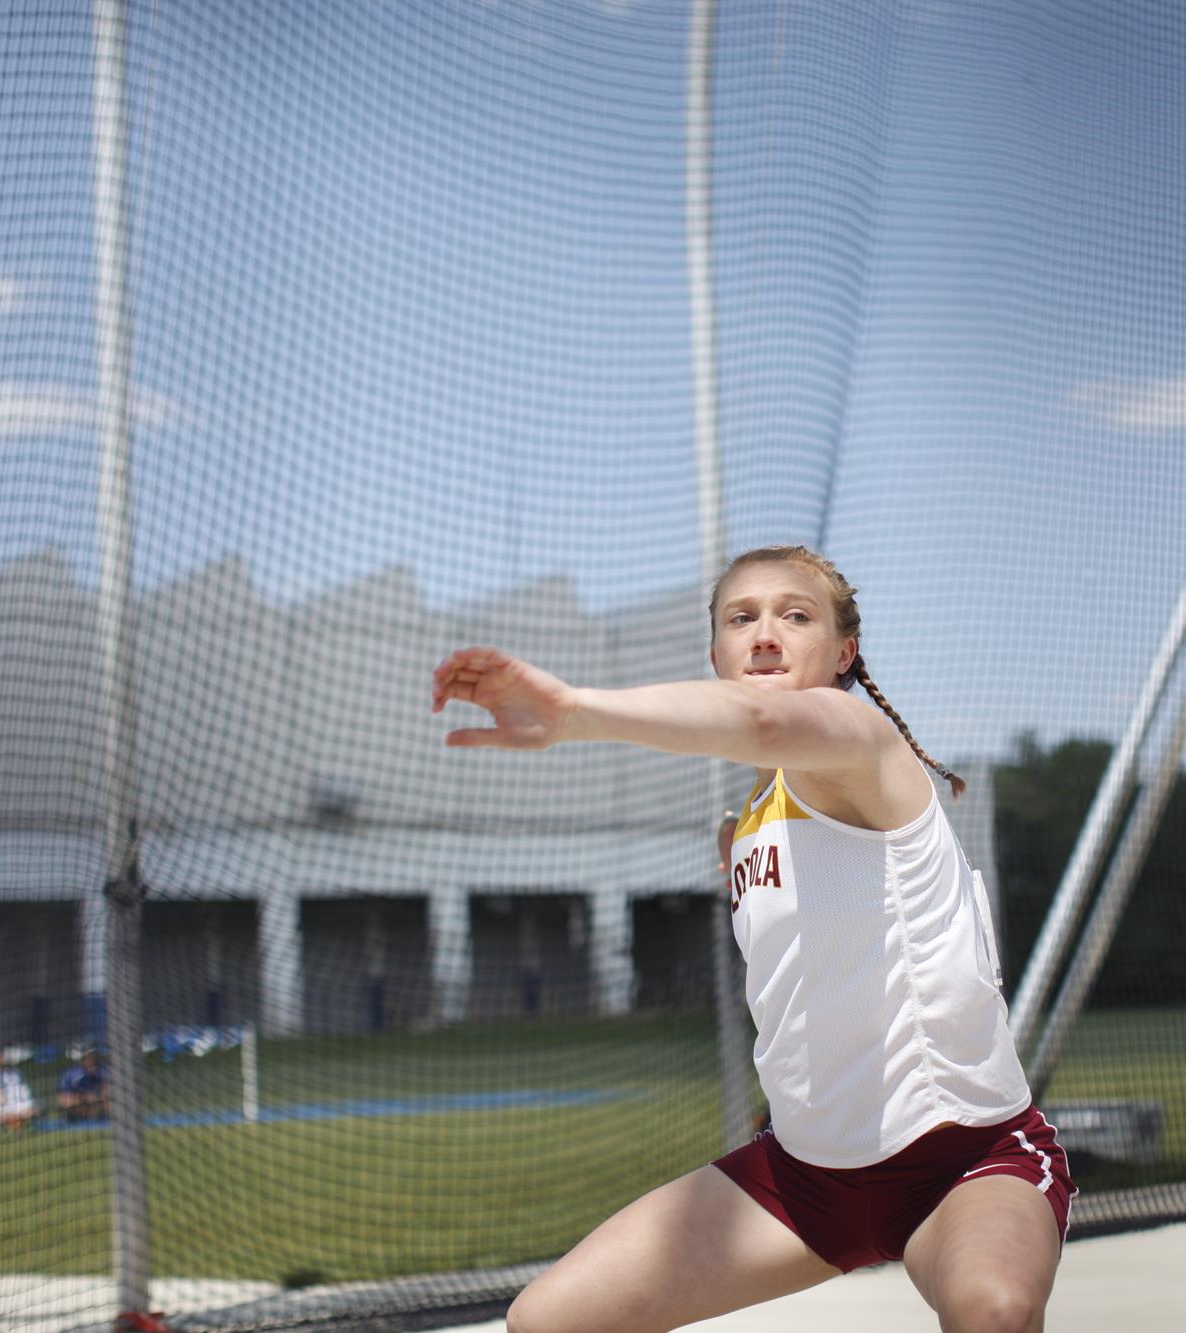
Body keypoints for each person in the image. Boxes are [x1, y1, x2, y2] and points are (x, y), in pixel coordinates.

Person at [433, 545, 1075, 1333]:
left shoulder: (858, 738)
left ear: (843, 653)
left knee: (995, 1310)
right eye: (742, 618)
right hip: (805, 1174)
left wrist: (574, 712)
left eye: (794, 615)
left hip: (962, 1160)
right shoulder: (748, 821)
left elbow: (768, 720)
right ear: (715, 654)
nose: (765, 633)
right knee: (551, 1319)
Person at [57, 1050, 110, 1121]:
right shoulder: (72, 1074)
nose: (92, 1061)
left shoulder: (99, 1072)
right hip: (77, 1104)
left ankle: (106, 1118)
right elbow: (63, 1099)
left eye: (92, 1058)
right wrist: (84, 1097)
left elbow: (106, 1088)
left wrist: (99, 1095)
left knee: (107, 1099)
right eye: (88, 1059)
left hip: (94, 1103)